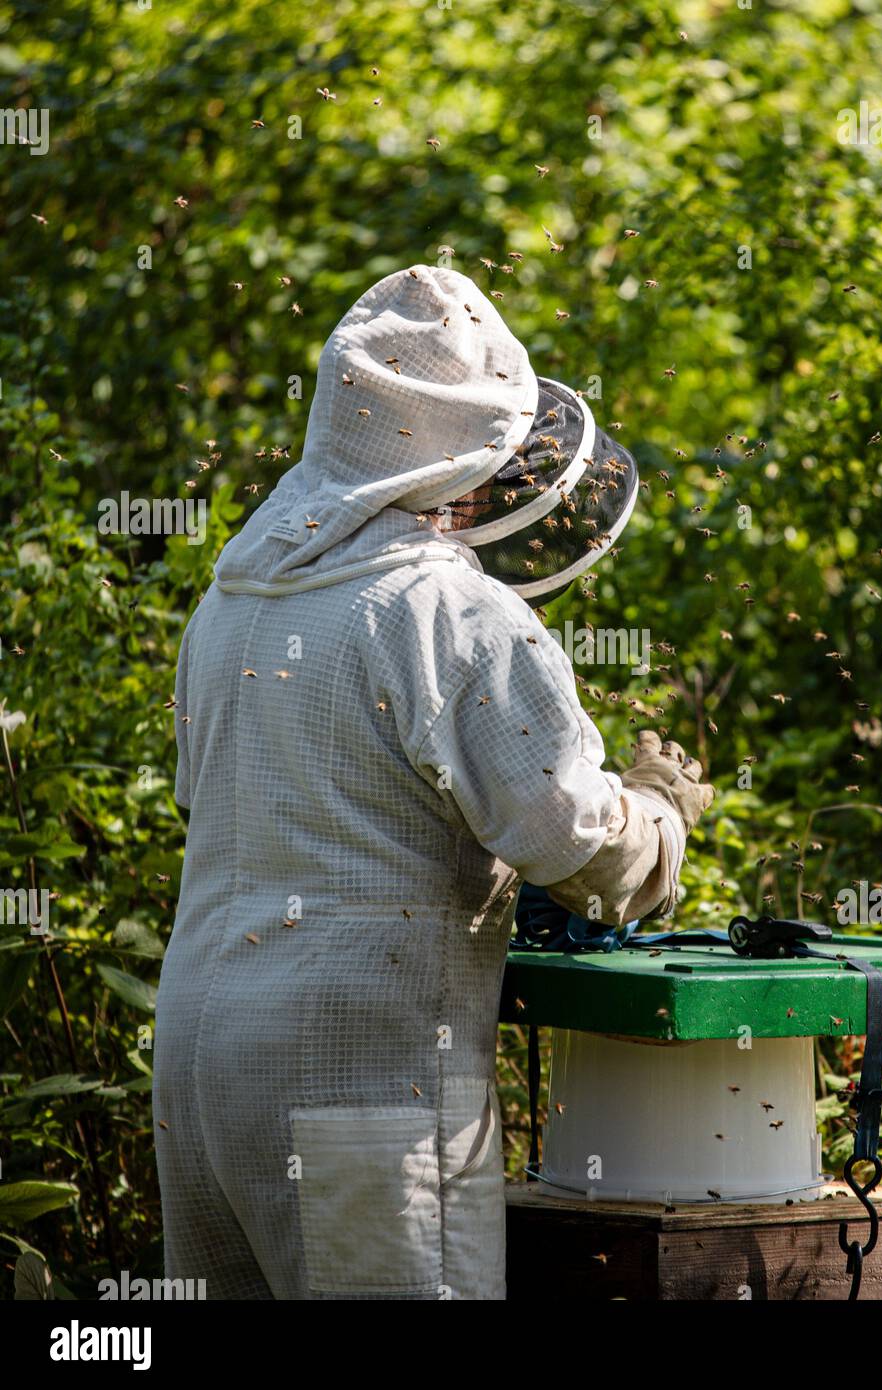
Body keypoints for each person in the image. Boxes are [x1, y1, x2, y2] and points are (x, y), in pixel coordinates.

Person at [152, 265, 715, 1300]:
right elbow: (579, 845)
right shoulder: (448, 609)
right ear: (475, 441)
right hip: (360, 1087)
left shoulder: (232, 596)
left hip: (197, 1075)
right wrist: (661, 815)